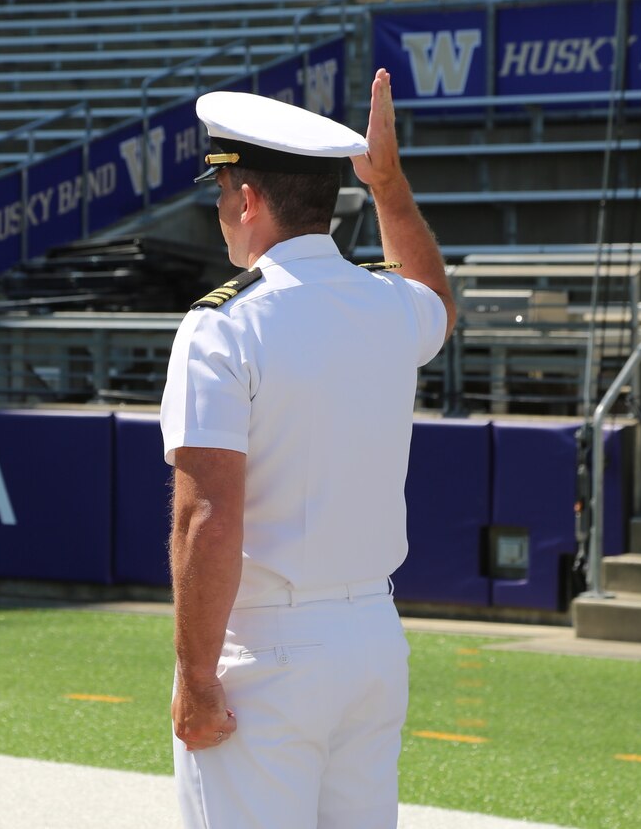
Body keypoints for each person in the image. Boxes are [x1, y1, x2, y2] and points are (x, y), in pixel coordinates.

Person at [159, 69, 457, 829]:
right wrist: (387, 186)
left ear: (248, 201)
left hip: (269, 647)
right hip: (371, 639)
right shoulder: (387, 304)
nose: (220, 211)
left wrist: (195, 675)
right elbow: (436, 301)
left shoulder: (224, 324)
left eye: (223, 192)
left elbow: (207, 516)